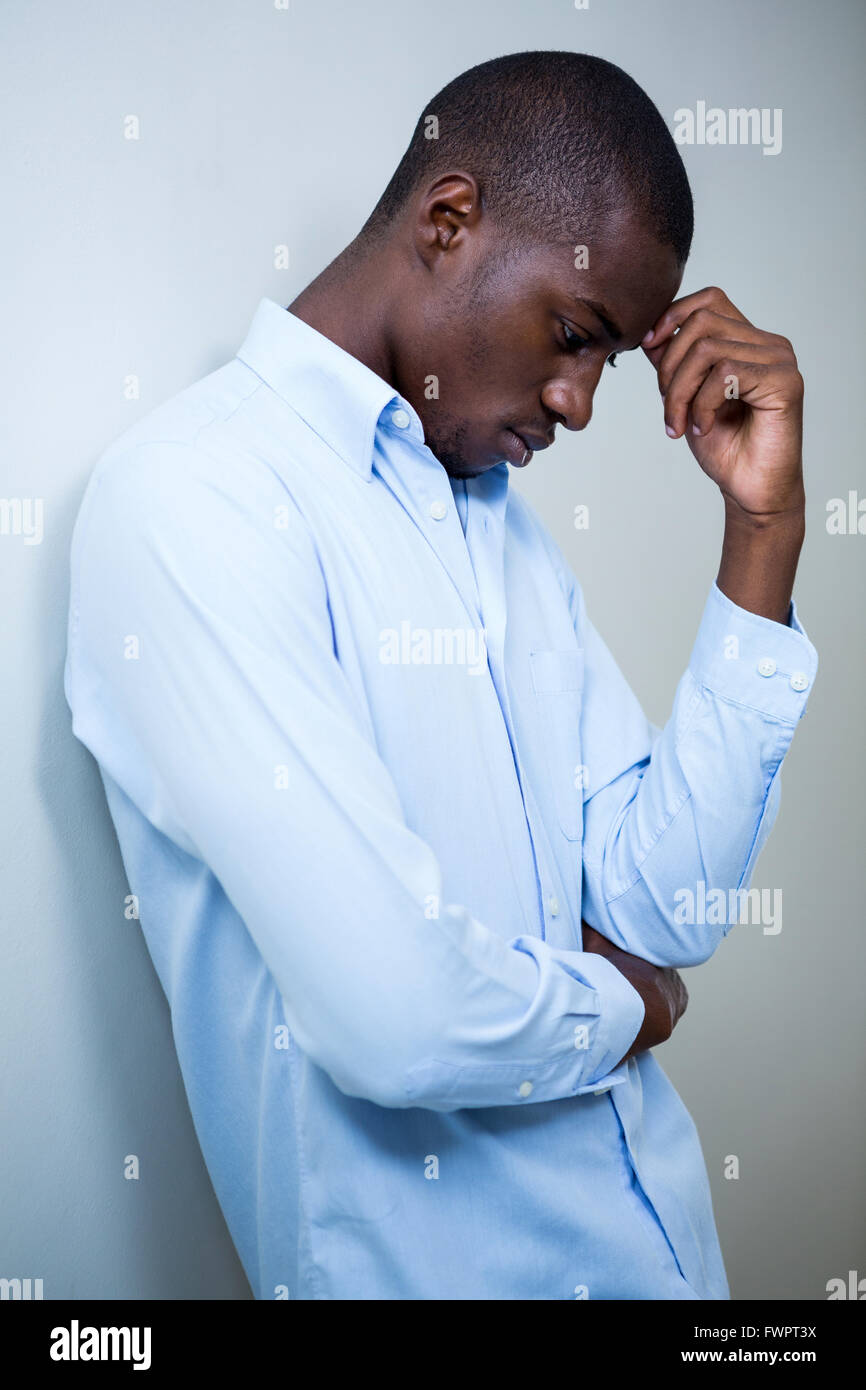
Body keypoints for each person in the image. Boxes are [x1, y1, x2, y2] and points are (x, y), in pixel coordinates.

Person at [64, 51, 817, 1300]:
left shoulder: (487, 517)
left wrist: (762, 535)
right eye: (572, 337)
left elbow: (662, 909)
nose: (578, 407)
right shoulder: (193, 503)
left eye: (608, 362)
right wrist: (624, 1011)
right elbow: (395, 1015)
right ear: (448, 219)